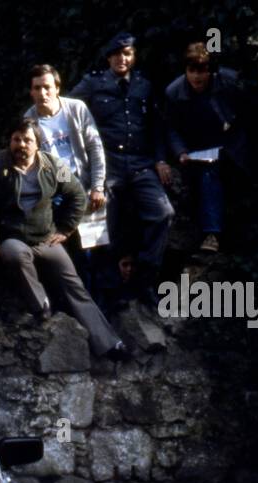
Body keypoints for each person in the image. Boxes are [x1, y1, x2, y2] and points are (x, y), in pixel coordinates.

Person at [0, 119, 127, 361]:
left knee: (74, 285)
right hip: (13, 237)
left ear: (38, 144)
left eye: (27, 140)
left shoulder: (54, 164)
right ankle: (42, 307)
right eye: (16, 140)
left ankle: (109, 343)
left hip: (46, 238)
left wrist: (66, 229)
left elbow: (77, 194)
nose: (21, 145)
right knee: (15, 255)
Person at [70, 31, 174, 305]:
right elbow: (68, 111)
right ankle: (109, 287)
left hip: (140, 164)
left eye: (127, 54)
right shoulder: (93, 84)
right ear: (108, 58)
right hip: (108, 165)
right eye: (116, 54)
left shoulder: (144, 86)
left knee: (163, 213)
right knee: (103, 219)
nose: (121, 59)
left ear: (134, 57)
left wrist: (160, 159)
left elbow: (156, 127)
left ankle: (144, 280)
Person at [24, 64, 107, 299]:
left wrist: (98, 186)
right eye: (37, 88)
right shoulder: (29, 119)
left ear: (57, 88)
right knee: (64, 252)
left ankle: (99, 301)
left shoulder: (76, 109)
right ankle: (69, 301)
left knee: (95, 250)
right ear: (31, 91)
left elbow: (95, 147)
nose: (42, 93)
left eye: (47, 87)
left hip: (84, 184)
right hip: (55, 191)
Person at [164, 43, 249, 253]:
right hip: (199, 150)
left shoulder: (228, 81)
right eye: (192, 71)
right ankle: (212, 234)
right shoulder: (174, 92)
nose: (197, 77)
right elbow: (171, 128)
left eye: (201, 71)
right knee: (207, 175)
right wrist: (181, 151)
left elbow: (252, 105)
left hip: (232, 143)